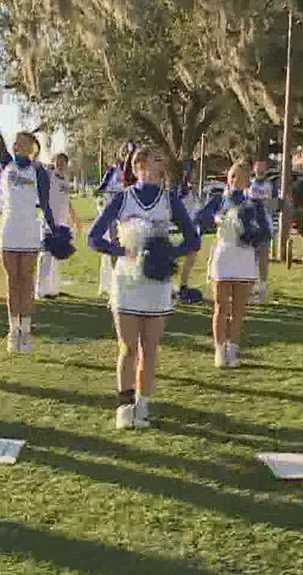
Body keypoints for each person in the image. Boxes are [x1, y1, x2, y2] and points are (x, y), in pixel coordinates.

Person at [89, 146, 200, 429]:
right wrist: (122, 251)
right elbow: (93, 238)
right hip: (128, 282)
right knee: (127, 347)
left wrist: (166, 254)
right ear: (138, 166)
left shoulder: (170, 201)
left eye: (163, 161)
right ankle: (123, 407)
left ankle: (143, 405)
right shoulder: (122, 200)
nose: (161, 166)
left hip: (157, 284)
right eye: (155, 161)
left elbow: (193, 240)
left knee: (150, 348)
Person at [0, 105, 58, 354]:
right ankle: (12, 329)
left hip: (29, 231)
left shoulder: (39, 172)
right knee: (12, 282)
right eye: (16, 141)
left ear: (32, 148)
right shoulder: (6, 164)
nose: (18, 144)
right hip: (9, 231)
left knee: (26, 282)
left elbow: (46, 204)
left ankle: (26, 330)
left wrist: (54, 229)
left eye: (24, 142)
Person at [199, 161, 271, 368]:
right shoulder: (218, 200)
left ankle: (233, 350)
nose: (235, 181)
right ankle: (219, 350)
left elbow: (265, 233)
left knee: (239, 310)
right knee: (221, 306)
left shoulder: (254, 204)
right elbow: (200, 219)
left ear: (248, 181)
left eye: (240, 178)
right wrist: (215, 219)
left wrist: (252, 235)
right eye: (232, 177)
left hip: (245, 258)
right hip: (224, 255)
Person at [36, 153, 81, 299]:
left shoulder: (66, 180)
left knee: (57, 256)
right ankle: (41, 290)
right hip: (49, 222)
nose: (60, 165)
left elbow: (67, 201)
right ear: (53, 162)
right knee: (46, 256)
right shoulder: (49, 176)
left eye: (63, 162)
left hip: (63, 222)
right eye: (58, 162)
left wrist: (74, 219)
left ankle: (52, 289)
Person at [95, 145, 136, 298]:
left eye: (130, 153)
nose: (127, 156)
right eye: (125, 153)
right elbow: (101, 188)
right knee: (114, 245)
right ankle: (113, 281)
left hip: (128, 216)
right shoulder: (112, 171)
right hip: (113, 214)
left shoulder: (134, 174)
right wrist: (100, 193)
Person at [248, 160, 279, 303]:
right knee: (249, 257)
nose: (259, 171)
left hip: (265, 225)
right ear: (254, 169)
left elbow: (275, 205)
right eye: (257, 169)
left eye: (262, 169)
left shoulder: (271, 185)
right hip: (250, 225)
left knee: (263, 256)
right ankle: (251, 285)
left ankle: (263, 285)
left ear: (266, 170)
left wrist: (266, 204)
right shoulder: (249, 184)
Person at [174, 159, 203, 303]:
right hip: (181, 228)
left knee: (191, 256)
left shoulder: (195, 191)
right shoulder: (182, 189)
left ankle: (182, 285)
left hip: (192, 227)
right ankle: (174, 286)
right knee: (178, 256)